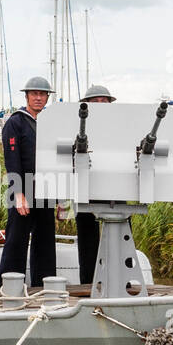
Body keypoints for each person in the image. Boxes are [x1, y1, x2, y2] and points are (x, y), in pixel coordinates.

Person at [0, 76, 56, 290]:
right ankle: (6, 289)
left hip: (47, 187)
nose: (38, 98)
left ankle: (43, 288)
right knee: (16, 241)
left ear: (47, 97)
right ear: (27, 96)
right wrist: (18, 193)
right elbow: (12, 160)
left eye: (42, 94)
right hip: (23, 188)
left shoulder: (50, 122)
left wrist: (60, 198)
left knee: (45, 242)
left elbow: (59, 160)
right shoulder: (15, 122)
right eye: (34, 94)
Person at [75, 84, 115, 286]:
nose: (100, 104)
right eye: (95, 101)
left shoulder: (119, 125)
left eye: (103, 100)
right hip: (86, 188)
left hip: (114, 187)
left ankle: (119, 281)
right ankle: (88, 283)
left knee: (117, 236)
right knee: (87, 239)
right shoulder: (77, 124)